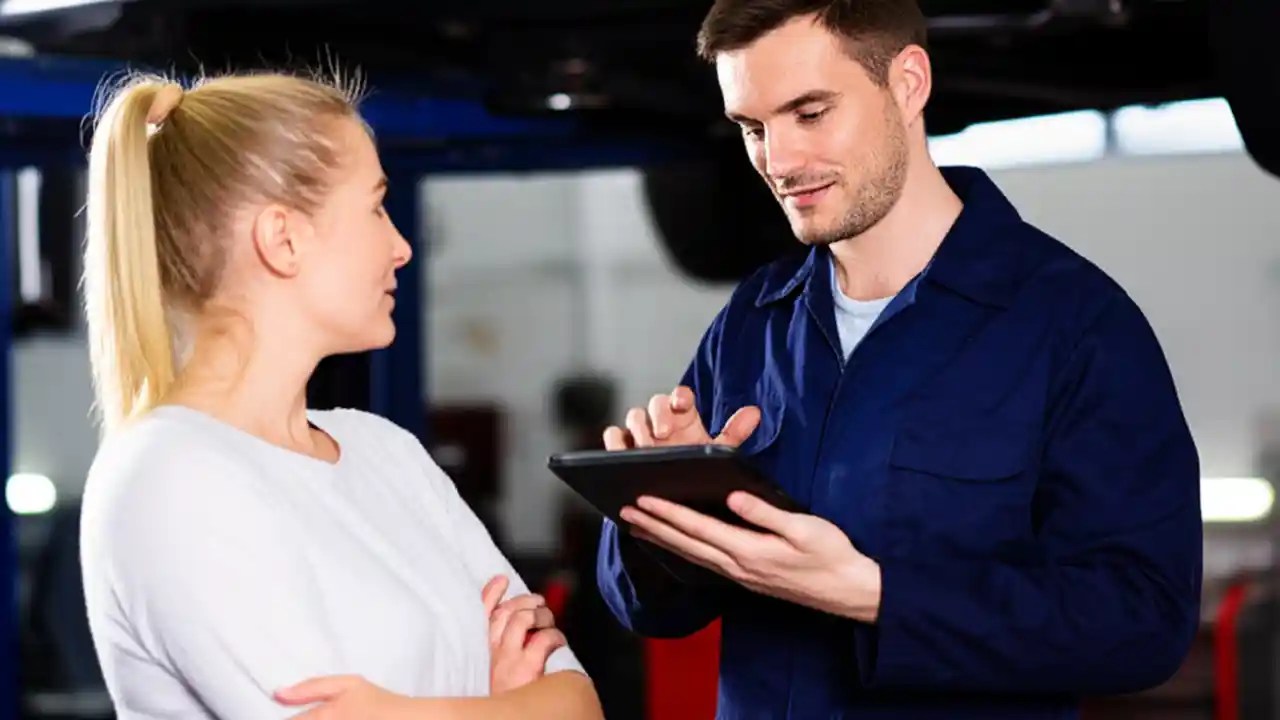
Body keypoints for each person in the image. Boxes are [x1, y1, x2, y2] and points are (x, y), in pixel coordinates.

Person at [596, 0, 1204, 718]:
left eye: (811, 113)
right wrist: (663, 507)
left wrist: (878, 595)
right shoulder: (753, 322)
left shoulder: (1076, 328)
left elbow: (1143, 623)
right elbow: (648, 611)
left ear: (908, 83)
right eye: (754, 128)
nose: (779, 161)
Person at [77, 71, 603, 720]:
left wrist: (412, 712)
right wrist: (496, 700)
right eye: (376, 207)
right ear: (283, 239)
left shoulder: (385, 451)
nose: (401, 246)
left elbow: (579, 704)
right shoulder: (170, 476)